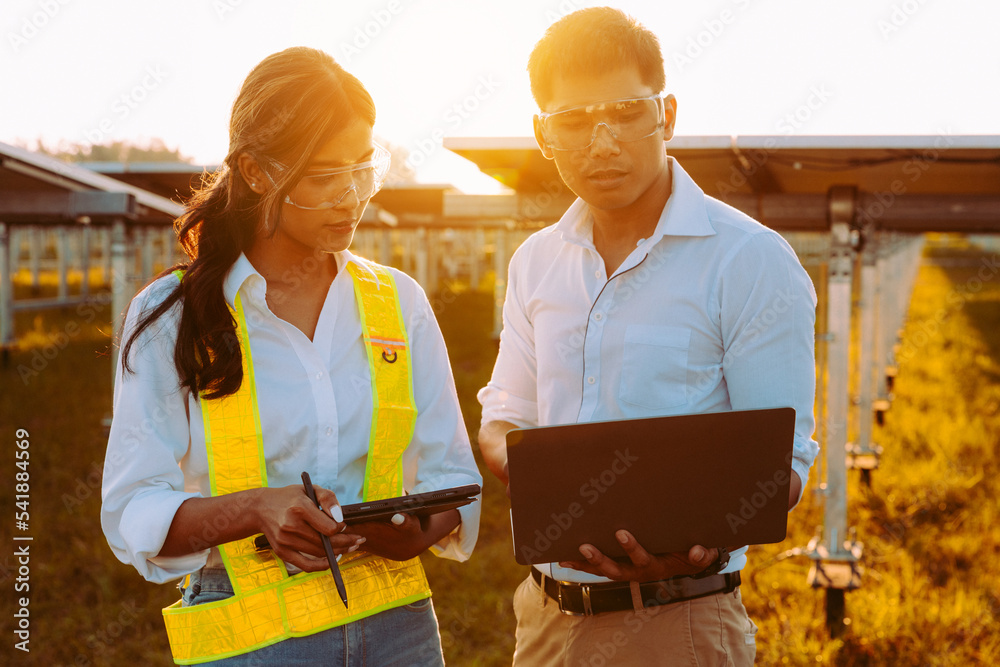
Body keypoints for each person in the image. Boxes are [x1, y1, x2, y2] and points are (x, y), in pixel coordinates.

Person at [101, 47, 481, 666]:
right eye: (325, 176)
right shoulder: (171, 316)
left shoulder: (398, 304)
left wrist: (413, 530)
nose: (351, 196)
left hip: (399, 634)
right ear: (255, 171)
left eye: (362, 169)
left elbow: (452, 482)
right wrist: (256, 508)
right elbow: (132, 511)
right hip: (251, 644)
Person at [477, 7, 819, 666]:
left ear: (667, 114)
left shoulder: (749, 260)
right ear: (541, 135)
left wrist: (695, 533)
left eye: (626, 113)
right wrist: (533, 472)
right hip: (546, 622)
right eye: (573, 121)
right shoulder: (536, 262)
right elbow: (503, 418)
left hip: (680, 624)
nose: (602, 142)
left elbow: (781, 464)